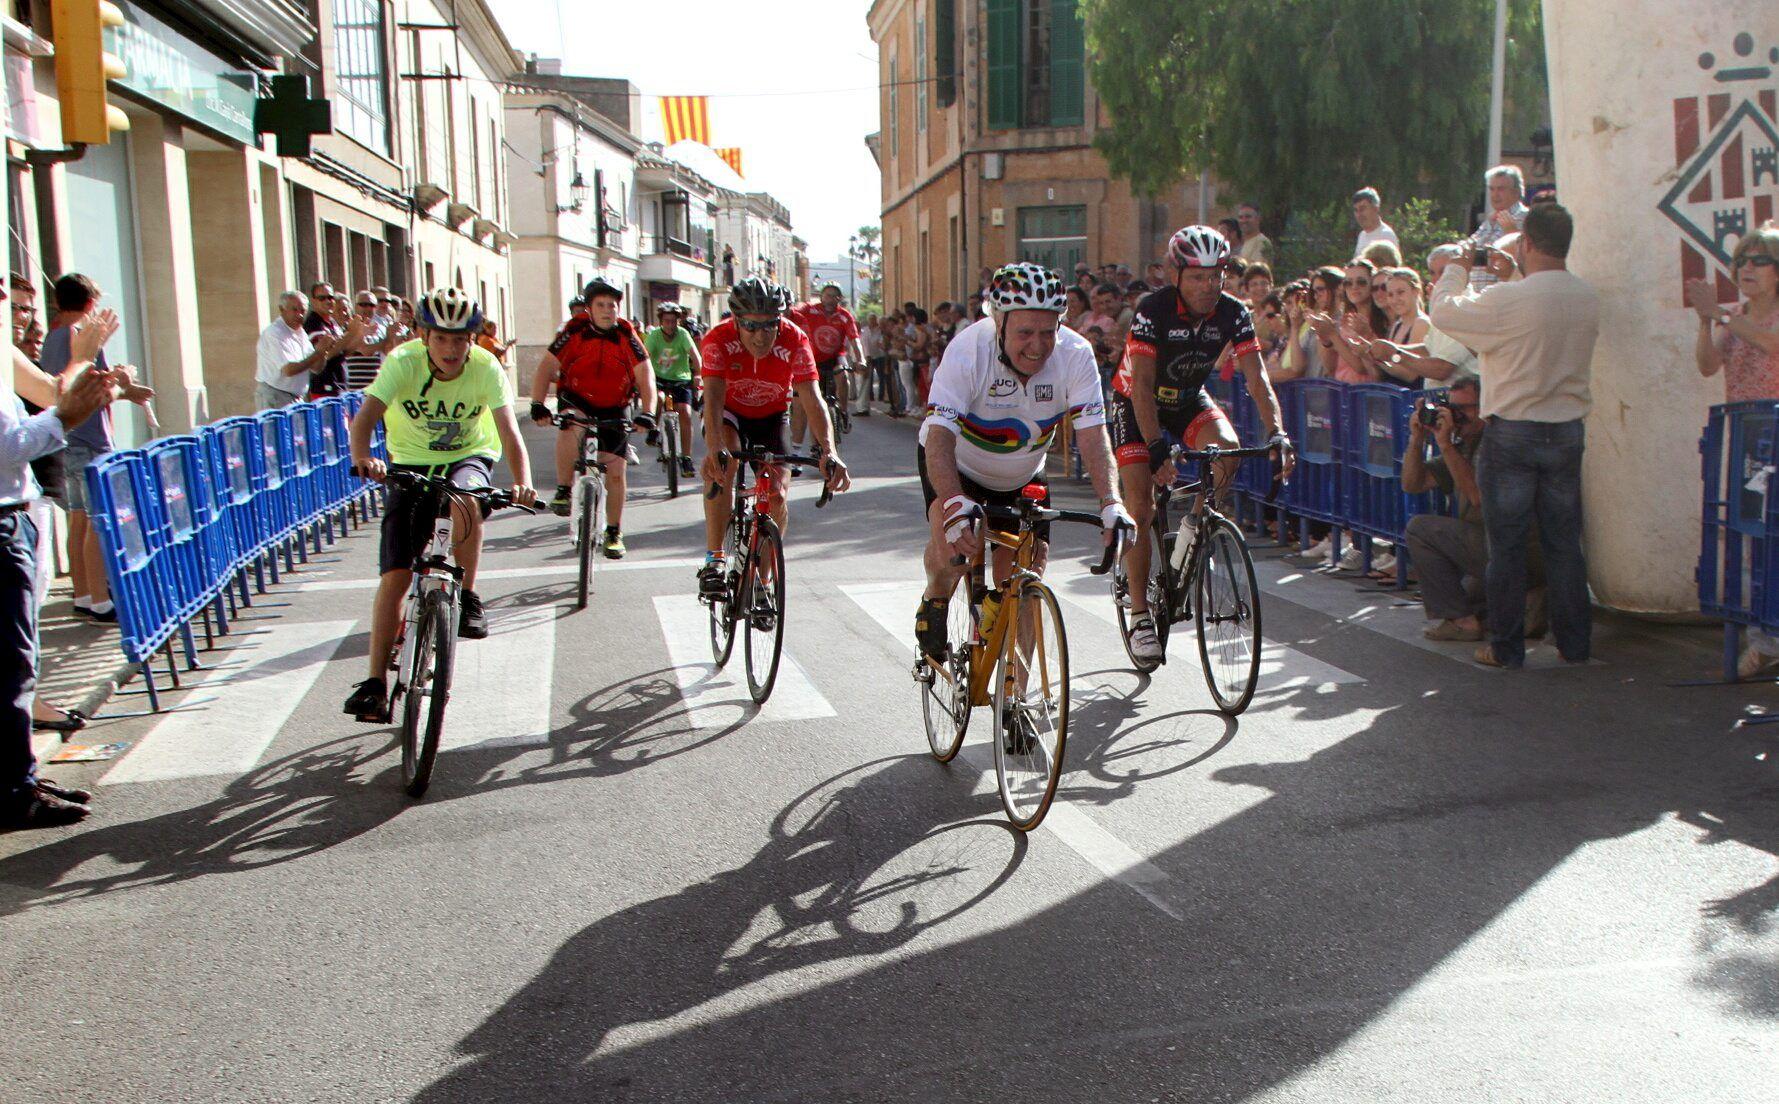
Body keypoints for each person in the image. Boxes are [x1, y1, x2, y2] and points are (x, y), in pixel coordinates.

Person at [914, 262, 1133, 673]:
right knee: (953, 554)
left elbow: (1091, 433)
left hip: (1023, 470)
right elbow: (940, 435)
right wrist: (954, 501)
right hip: (957, 466)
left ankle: (1017, 704)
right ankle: (935, 595)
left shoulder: (1075, 355)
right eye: (1025, 333)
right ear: (997, 323)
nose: (1037, 346)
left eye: (1048, 332)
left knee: (1025, 582)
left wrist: (1111, 501)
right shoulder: (967, 351)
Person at [343, 288, 537, 722]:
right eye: (441, 339)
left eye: (460, 340)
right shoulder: (402, 362)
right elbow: (365, 418)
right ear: (424, 336)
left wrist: (523, 484)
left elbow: (509, 432)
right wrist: (363, 458)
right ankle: (374, 683)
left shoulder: (486, 367)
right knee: (394, 577)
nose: (451, 349)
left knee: (467, 496)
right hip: (410, 461)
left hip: (466, 456)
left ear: (472, 341)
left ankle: (467, 596)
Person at [1109, 226, 1293, 662]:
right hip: (1137, 403)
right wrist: (1155, 448)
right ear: (1177, 275)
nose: (1209, 285)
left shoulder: (1232, 312)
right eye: (1197, 277)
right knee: (1140, 504)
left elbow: (1257, 376)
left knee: (1227, 453)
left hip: (1188, 399)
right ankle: (1138, 615)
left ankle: (1191, 528)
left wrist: (1278, 434)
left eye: (1217, 275)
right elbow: (1144, 385)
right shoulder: (1153, 310)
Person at [1430, 203, 1599, 669]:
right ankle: (1575, 644)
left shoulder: (1511, 301)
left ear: (1527, 243)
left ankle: (1506, 647)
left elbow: (1443, 311)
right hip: (1565, 430)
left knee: (1505, 547)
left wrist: (1458, 268)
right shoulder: (1586, 297)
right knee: (1564, 545)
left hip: (1514, 432)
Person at [3, 309, 120, 826]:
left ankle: (16, 776)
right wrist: (67, 410)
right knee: (11, 664)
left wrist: (80, 371)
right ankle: (13, 789)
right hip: (4, 519)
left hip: (15, 516)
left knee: (16, 661)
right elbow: (11, 446)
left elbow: (55, 392)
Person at [696, 277, 850, 598]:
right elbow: (711, 396)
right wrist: (715, 448)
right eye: (751, 326)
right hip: (729, 413)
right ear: (736, 320)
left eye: (769, 325)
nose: (760, 335)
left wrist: (829, 450)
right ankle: (715, 559)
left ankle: (762, 584)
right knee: (724, 466)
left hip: (772, 415)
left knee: (777, 494)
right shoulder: (717, 339)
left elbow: (812, 397)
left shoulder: (795, 339)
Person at [1689, 223, 1779, 675]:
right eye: (1742, 259)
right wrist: (1707, 321)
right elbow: (1708, 366)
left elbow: (1772, 344)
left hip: (1775, 436)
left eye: (1759, 260)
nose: (1747, 267)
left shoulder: (1758, 317)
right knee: (1752, 538)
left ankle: (1767, 638)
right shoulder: (1737, 313)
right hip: (1747, 439)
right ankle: (1764, 636)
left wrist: (1721, 317)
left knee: (1774, 536)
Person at [40, 274, 154, 623]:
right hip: (89, 439)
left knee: (78, 519)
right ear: (90, 304)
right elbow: (97, 388)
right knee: (95, 521)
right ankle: (100, 600)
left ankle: (84, 593)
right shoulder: (83, 339)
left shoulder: (51, 338)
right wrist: (123, 381)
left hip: (66, 439)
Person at [529, 276, 656, 558]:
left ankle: (613, 531)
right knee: (570, 425)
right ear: (589, 308)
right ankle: (563, 489)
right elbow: (546, 366)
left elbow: (646, 376)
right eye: (601, 305)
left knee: (616, 470)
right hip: (578, 397)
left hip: (615, 403)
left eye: (612, 305)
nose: (608, 310)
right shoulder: (574, 331)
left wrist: (648, 412)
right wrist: (537, 404)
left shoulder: (626, 335)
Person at [789, 284, 864, 444]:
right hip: (813, 360)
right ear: (821, 297)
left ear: (840, 299)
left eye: (834, 296)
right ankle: (815, 441)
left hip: (835, 357)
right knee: (814, 399)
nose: (830, 299)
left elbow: (855, 340)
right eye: (827, 295)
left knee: (843, 376)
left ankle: (843, 411)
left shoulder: (844, 316)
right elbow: (791, 314)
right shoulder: (809, 310)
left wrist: (861, 359)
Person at [644, 302, 702, 478]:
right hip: (659, 379)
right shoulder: (654, 335)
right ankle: (654, 428)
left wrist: (698, 374)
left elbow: (695, 357)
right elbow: (644, 356)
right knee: (659, 399)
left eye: (673, 321)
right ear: (661, 321)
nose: (670, 325)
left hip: (680, 380)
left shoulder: (683, 334)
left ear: (678, 321)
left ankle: (686, 458)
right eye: (666, 321)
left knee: (684, 411)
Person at [256, 291, 339, 409]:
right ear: (282, 309)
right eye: (295, 310)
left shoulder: (300, 332)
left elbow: (316, 368)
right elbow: (289, 370)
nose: (299, 315)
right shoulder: (275, 333)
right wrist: (318, 352)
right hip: (276, 395)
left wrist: (324, 351)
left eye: (303, 311)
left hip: (296, 397)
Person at [1352, 187, 1399, 256]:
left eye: (1362, 209)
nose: (1359, 214)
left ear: (1375, 209)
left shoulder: (1386, 235)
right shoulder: (1362, 235)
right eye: (1356, 210)